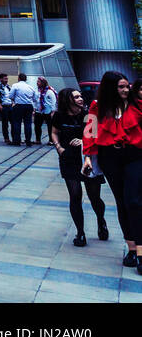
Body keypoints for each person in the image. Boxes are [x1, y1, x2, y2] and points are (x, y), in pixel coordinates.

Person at [82, 71, 142, 271]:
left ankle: (141, 251)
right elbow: (90, 133)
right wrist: (88, 157)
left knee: (134, 201)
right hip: (110, 158)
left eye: (127, 86)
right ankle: (132, 249)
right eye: (121, 87)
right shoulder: (98, 107)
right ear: (110, 88)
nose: (126, 90)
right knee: (122, 202)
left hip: (135, 156)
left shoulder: (137, 104)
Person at [50, 86, 108, 247]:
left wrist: (83, 142)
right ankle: (80, 232)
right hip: (68, 159)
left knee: (94, 197)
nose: (80, 99)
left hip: (88, 158)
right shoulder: (59, 116)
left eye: (80, 96)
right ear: (67, 100)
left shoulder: (88, 115)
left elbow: (95, 135)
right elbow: (54, 132)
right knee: (75, 195)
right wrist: (58, 147)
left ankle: (101, 220)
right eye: (76, 97)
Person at [9, 72, 36, 146]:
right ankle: (28, 141)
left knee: (17, 123)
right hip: (29, 106)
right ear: (26, 79)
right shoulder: (31, 87)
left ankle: (17, 141)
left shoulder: (15, 85)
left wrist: (15, 99)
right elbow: (34, 98)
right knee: (28, 124)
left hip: (19, 106)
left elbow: (10, 96)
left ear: (19, 78)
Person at [34, 76, 57, 144]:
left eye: (38, 81)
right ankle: (38, 140)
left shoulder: (49, 91)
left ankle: (51, 140)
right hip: (39, 111)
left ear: (42, 83)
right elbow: (35, 101)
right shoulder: (37, 91)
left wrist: (53, 111)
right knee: (37, 126)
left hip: (48, 111)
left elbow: (54, 101)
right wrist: (34, 109)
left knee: (50, 126)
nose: (37, 83)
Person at [0, 73, 14, 144]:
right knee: (5, 124)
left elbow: (11, 96)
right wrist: (0, 106)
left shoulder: (8, 87)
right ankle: (6, 138)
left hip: (10, 106)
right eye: (5, 79)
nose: (6, 80)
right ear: (1, 79)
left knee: (13, 123)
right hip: (4, 107)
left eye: (7, 79)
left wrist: (13, 103)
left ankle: (14, 138)